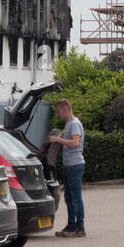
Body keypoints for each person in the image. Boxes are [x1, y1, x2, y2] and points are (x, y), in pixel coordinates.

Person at [47, 99, 85, 237]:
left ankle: (79, 227)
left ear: (65, 109)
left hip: (75, 165)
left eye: (59, 112)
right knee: (69, 197)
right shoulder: (70, 124)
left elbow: (75, 143)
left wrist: (58, 140)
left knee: (75, 196)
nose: (58, 115)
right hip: (70, 165)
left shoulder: (74, 124)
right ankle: (70, 226)